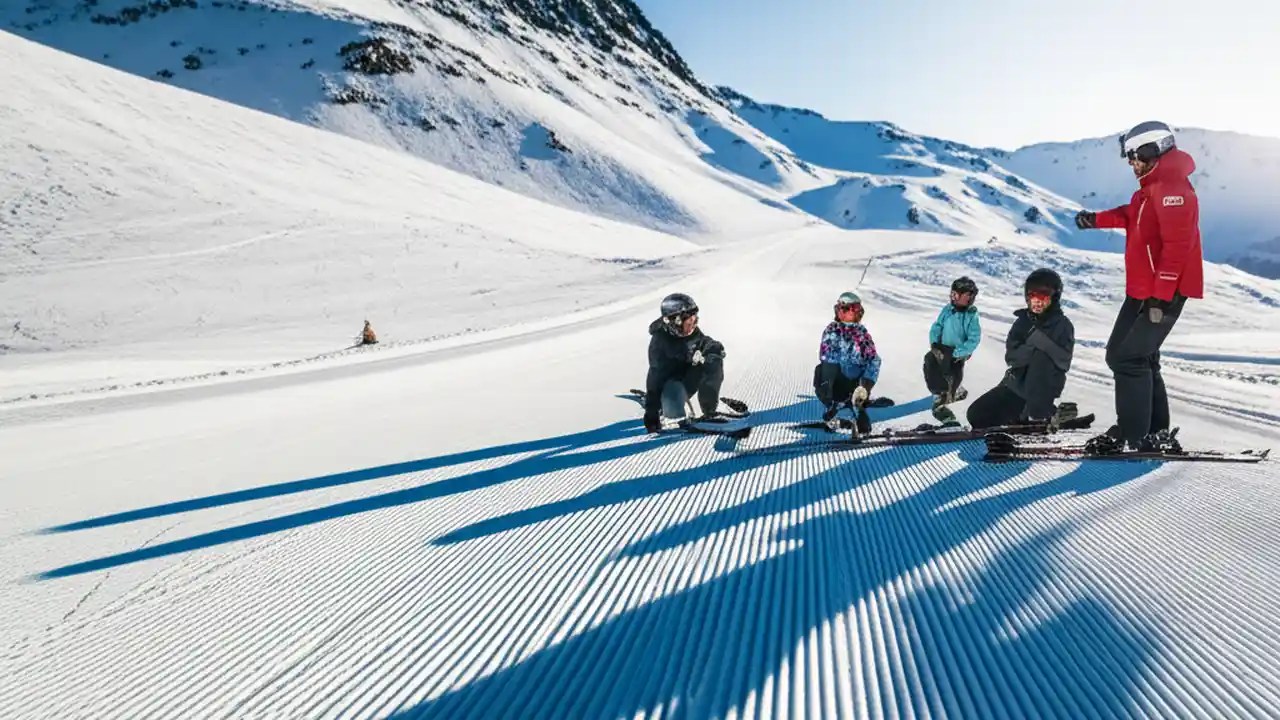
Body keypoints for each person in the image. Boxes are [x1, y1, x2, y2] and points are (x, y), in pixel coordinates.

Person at [1073, 120, 1204, 453]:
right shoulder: (1152, 186)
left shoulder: (1172, 188)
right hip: (1143, 289)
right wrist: (1096, 220)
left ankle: (1135, 436)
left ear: (1154, 149)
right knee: (1138, 357)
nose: (1132, 164)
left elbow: (1177, 248)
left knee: (1126, 358)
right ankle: (1152, 431)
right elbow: (1131, 214)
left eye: (1135, 157)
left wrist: (1161, 298)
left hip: (1163, 292)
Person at [967, 269, 1075, 429]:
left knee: (1042, 357)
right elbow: (1012, 357)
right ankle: (1026, 418)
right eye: (1033, 295)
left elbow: (1063, 361)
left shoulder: (1062, 325)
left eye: (1043, 295)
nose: (1037, 300)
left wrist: (1041, 343)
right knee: (976, 415)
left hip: (1042, 389)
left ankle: (1039, 415)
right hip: (1015, 388)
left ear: (1055, 296)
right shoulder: (1022, 322)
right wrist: (1031, 346)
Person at [643, 293, 726, 433]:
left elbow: (703, 341)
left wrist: (713, 349)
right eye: (689, 322)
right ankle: (669, 413)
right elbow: (654, 377)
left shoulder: (689, 332)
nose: (693, 326)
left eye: (695, 320)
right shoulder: (660, 343)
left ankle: (710, 412)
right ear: (675, 321)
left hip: (687, 378)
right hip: (670, 386)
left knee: (713, 361)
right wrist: (651, 411)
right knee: (673, 404)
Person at [814, 291, 881, 434]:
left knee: (873, 362)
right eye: (846, 309)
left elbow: (872, 357)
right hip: (837, 379)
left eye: (854, 309)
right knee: (825, 367)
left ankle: (858, 403)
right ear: (839, 311)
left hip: (855, 381)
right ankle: (834, 405)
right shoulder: (833, 330)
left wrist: (866, 382)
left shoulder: (862, 333)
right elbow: (827, 355)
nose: (851, 313)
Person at [924, 276, 981, 426]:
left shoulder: (971, 316)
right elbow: (937, 326)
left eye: (957, 295)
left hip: (956, 354)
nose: (953, 298)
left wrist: (959, 352)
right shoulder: (947, 310)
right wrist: (934, 343)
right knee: (931, 362)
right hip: (942, 349)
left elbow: (974, 339)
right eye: (952, 294)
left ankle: (954, 391)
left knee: (954, 375)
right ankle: (940, 394)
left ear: (969, 298)